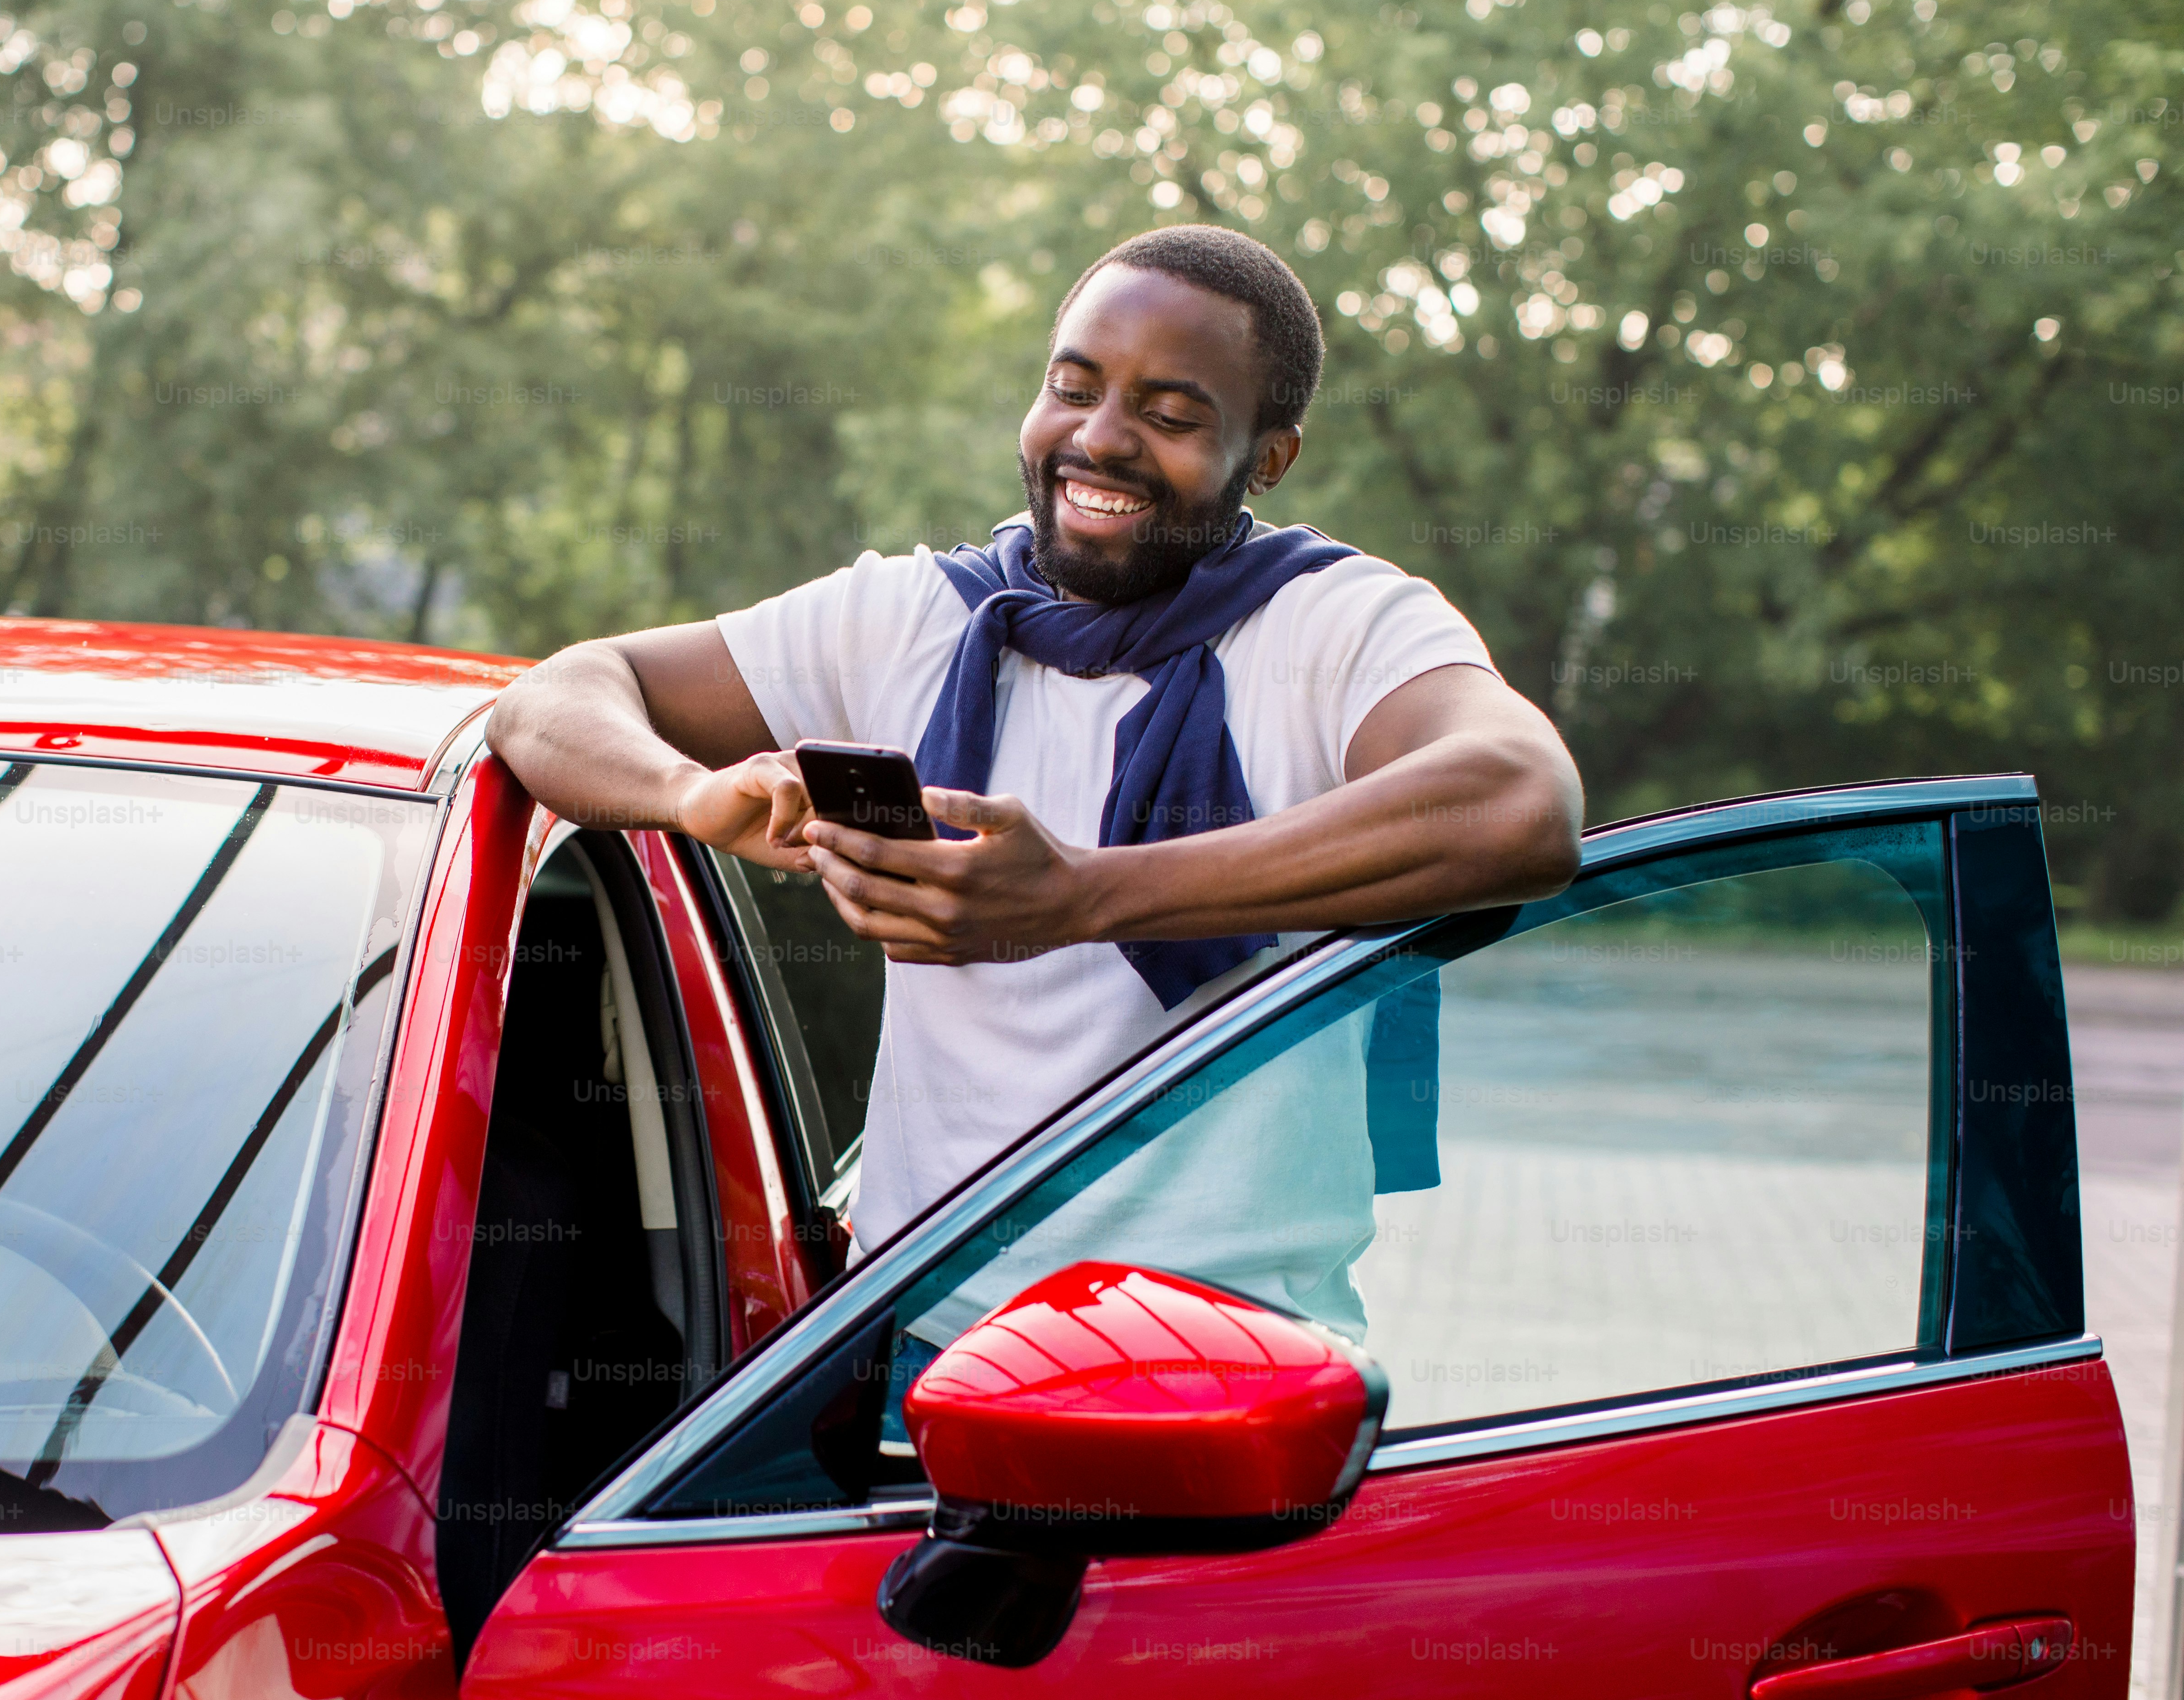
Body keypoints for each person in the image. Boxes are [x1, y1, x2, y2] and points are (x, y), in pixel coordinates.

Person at [491, 224, 1583, 1259]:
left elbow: (1519, 804)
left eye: (1171, 413)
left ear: (1270, 457)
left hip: (1225, 1355)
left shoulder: (1335, 621)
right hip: (902, 1334)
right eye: (1072, 388)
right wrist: (690, 794)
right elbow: (553, 700)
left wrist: (1083, 896)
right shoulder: (909, 614)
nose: (1100, 437)